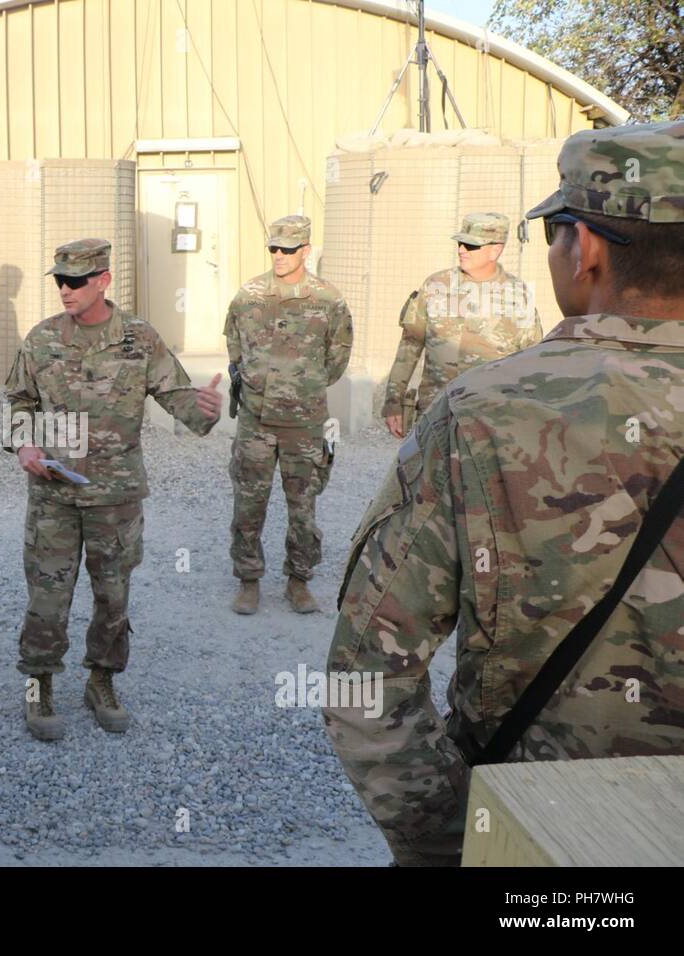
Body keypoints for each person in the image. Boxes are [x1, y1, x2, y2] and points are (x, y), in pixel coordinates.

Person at [324, 121, 684, 866]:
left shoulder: (477, 417)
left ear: (583, 249)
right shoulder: (444, 325)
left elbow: (366, 680)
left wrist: (453, 844)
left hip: (535, 833)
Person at [5, 239, 222, 740]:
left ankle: (101, 681)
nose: (65, 289)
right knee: (47, 599)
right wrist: (23, 447)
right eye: (59, 280)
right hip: (54, 496)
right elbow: (16, 402)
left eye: (75, 281)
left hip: (116, 497)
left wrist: (205, 410)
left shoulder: (139, 340)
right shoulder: (41, 341)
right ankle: (39, 686)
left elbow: (177, 397)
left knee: (112, 598)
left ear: (103, 280)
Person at [224, 215, 353, 616]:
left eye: (288, 249)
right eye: (274, 249)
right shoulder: (249, 296)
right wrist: (260, 385)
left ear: (305, 251)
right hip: (255, 421)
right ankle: (249, 579)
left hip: (304, 421)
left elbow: (338, 357)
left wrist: (301, 387)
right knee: (249, 503)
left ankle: (299, 580)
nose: (279, 256)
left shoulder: (327, 300)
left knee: (303, 507)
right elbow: (234, 345)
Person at [382, 213, 543, 438]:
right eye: (460, 243)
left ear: (495, 250)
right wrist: (393, 402)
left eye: (471, 245)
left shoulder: (518, 295)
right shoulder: (436, 286)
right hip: (436, 416)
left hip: (490, 422)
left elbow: (531, 361)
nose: (461, 250)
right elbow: (409, 346)